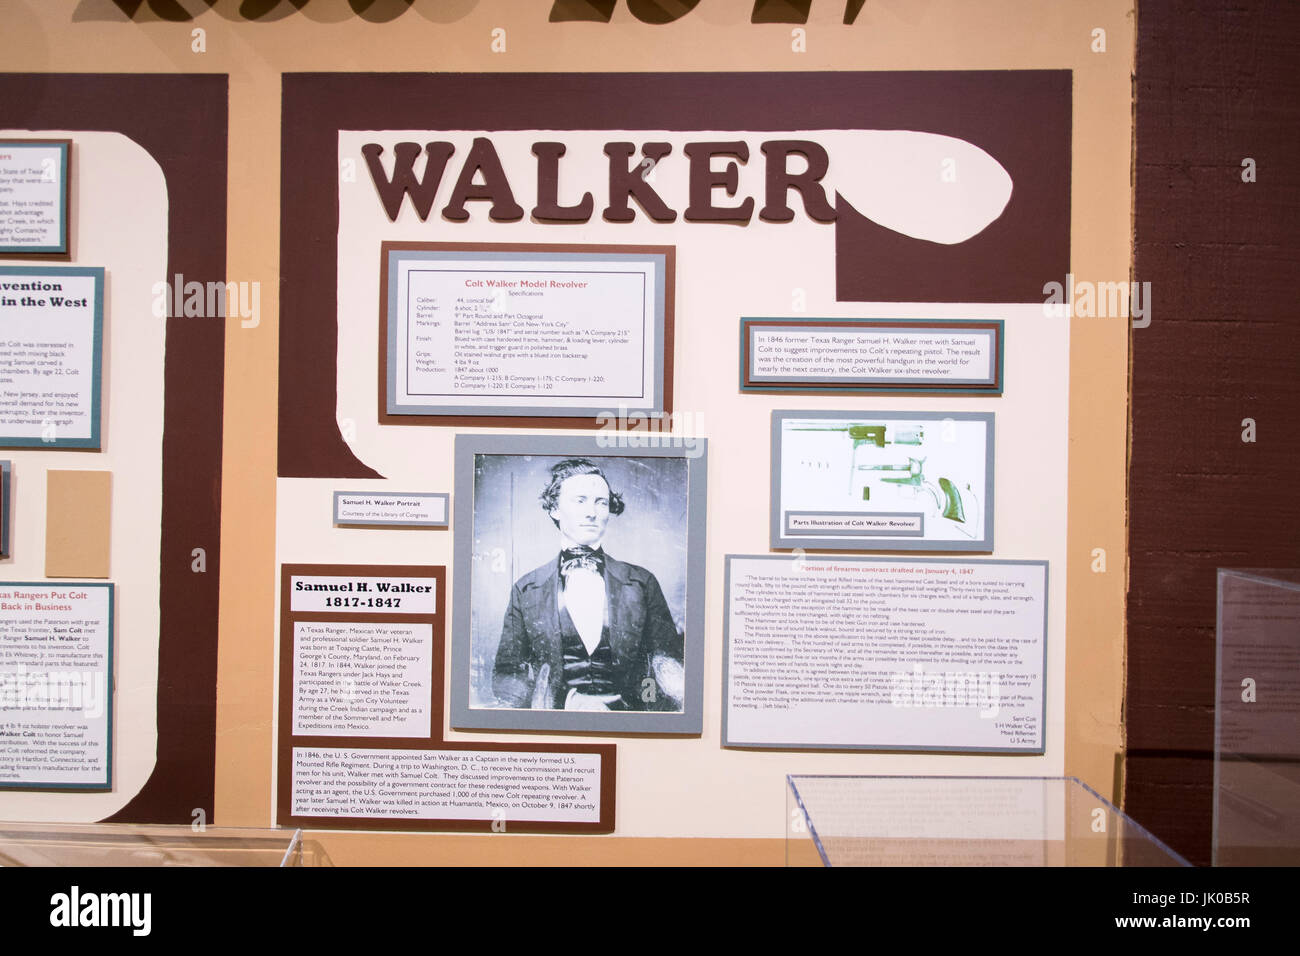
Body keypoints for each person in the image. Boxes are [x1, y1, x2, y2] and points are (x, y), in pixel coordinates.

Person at [492, 458, 684, 712]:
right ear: (554, 509)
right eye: (580, 500)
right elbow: (506, 677)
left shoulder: (642, 582)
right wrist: (564, 702)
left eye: (601, 502)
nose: (591, 512)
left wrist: (642, 711)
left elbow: (665, 665)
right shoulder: (526, 589)